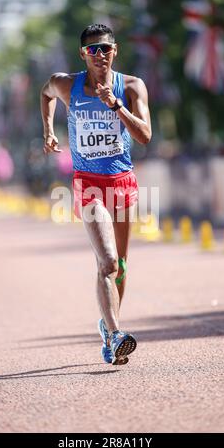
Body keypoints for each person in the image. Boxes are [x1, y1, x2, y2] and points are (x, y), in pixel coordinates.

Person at [41, 24, 151, 365]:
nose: (99, 55)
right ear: (82, 55)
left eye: (105, 49)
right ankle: (117, 334)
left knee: (119, 265)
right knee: (105, 261)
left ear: (115, 51)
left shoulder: (131, 86)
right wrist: (48, 129)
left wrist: (117, 106)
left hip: (121, 180)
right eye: (93, 50)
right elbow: (44, 93)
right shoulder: (65, 84)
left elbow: (145, 135)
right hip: (88, 183)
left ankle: (106, 328)